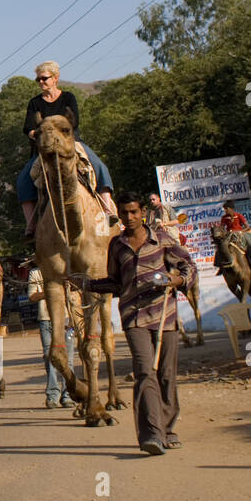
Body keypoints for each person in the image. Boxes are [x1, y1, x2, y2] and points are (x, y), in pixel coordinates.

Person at [78, 191, 196, 456]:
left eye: (133, 212)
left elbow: (188, 266)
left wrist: (174, 281)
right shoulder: (117, 245)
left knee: (166, 374)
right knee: (144, 371)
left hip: (164, 315)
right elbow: (116, 283)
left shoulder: (162, 238)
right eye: (124, 213)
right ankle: (151, 434)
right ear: (118, 214)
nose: (129, 217)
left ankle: (167, 427)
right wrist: (86, 284)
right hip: (134, 316)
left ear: (142, 212)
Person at [17, 60, 116, 237]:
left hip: (71, 143)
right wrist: (37, 134)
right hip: (45, 147)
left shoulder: (68, 97)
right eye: (38, 79)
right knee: (23, 180)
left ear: (55, 78)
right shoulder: (34, 103)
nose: (41, 82)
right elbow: (28, 128)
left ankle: (108, 211)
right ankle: (31, 225)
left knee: (99, 165)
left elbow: (74, 121)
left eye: (44, 78)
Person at [28, 264, 76, 409]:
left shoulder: (64, 271)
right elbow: (32, 296)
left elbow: (72, 295)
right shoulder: (35, 273)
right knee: (50, 358)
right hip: (45, 320)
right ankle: (52, 395)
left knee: (69, 359)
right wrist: (52, 291)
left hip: (65, 319)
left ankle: (68, 395)